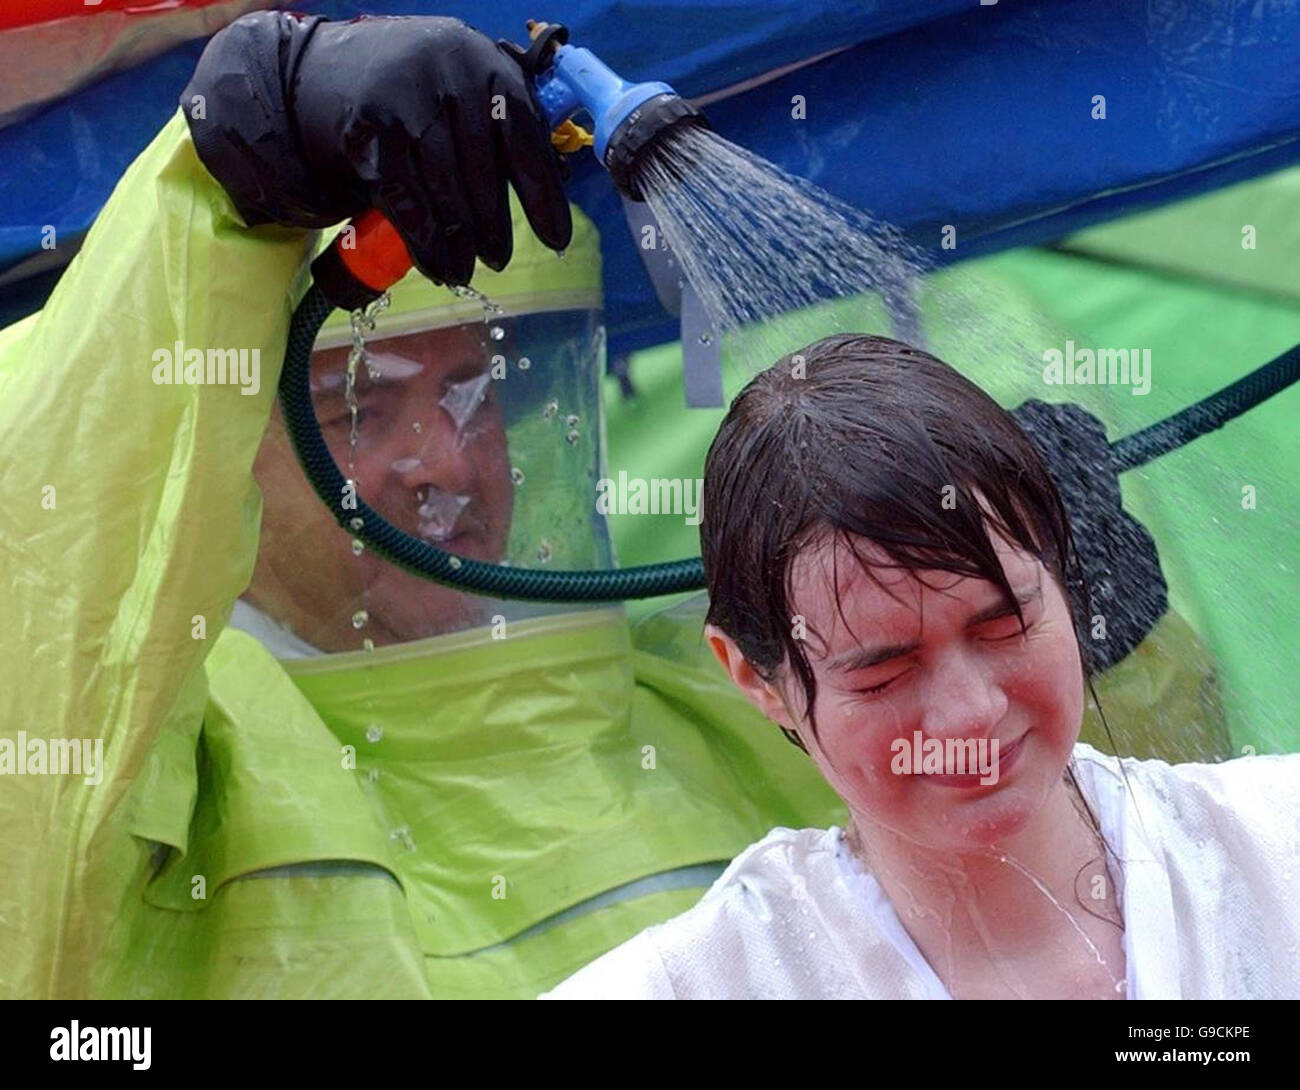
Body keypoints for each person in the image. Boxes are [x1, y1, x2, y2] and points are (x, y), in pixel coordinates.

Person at [542, 335, 1300, 999]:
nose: (970, 713)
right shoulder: (705, 984)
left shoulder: (1275, 850)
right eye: (883, 674)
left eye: (1005, 624)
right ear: (754, 678)